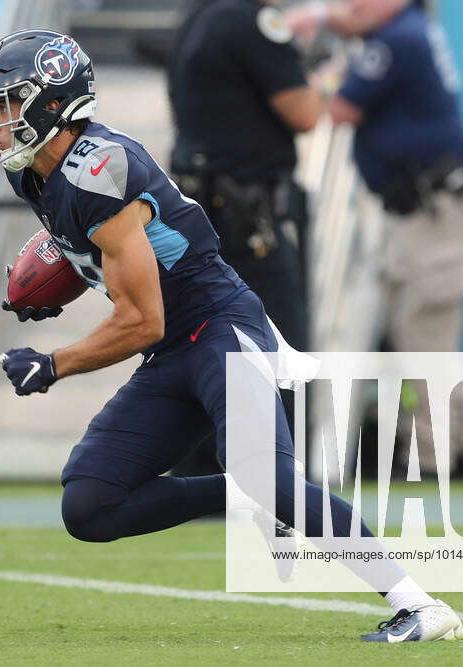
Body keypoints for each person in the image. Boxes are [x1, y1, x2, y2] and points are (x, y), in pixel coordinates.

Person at [0, 29, 463, 643]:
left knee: (271, 475)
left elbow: (139, 317)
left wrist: (54, 364)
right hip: (173, 347)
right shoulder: (37, 174)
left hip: (219, 328)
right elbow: (105, 255)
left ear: (50, 102)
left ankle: (420, 603)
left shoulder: (99, 170)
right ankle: (241, 500)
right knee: (90, 505)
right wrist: (61, 274)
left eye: (6, 104)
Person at [287, 0, 463, 470]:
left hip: (436, 208)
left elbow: (335, 109)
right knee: (421, 333)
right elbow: (356, 20)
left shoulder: (397, 39)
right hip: (427, 206)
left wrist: (314, 71)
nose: (355, 3)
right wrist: (320, 19)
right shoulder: (407, 30)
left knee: (425, 333)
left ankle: (434, 457)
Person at [169, 0, 324, 471]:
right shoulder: (255, 22)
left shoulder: (199, 15)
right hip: (246, 219)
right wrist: (324, 73)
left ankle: (200, 479)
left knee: (206, 343)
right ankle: (276, 481)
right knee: (283, 353)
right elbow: (305, 113)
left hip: (201, 214)